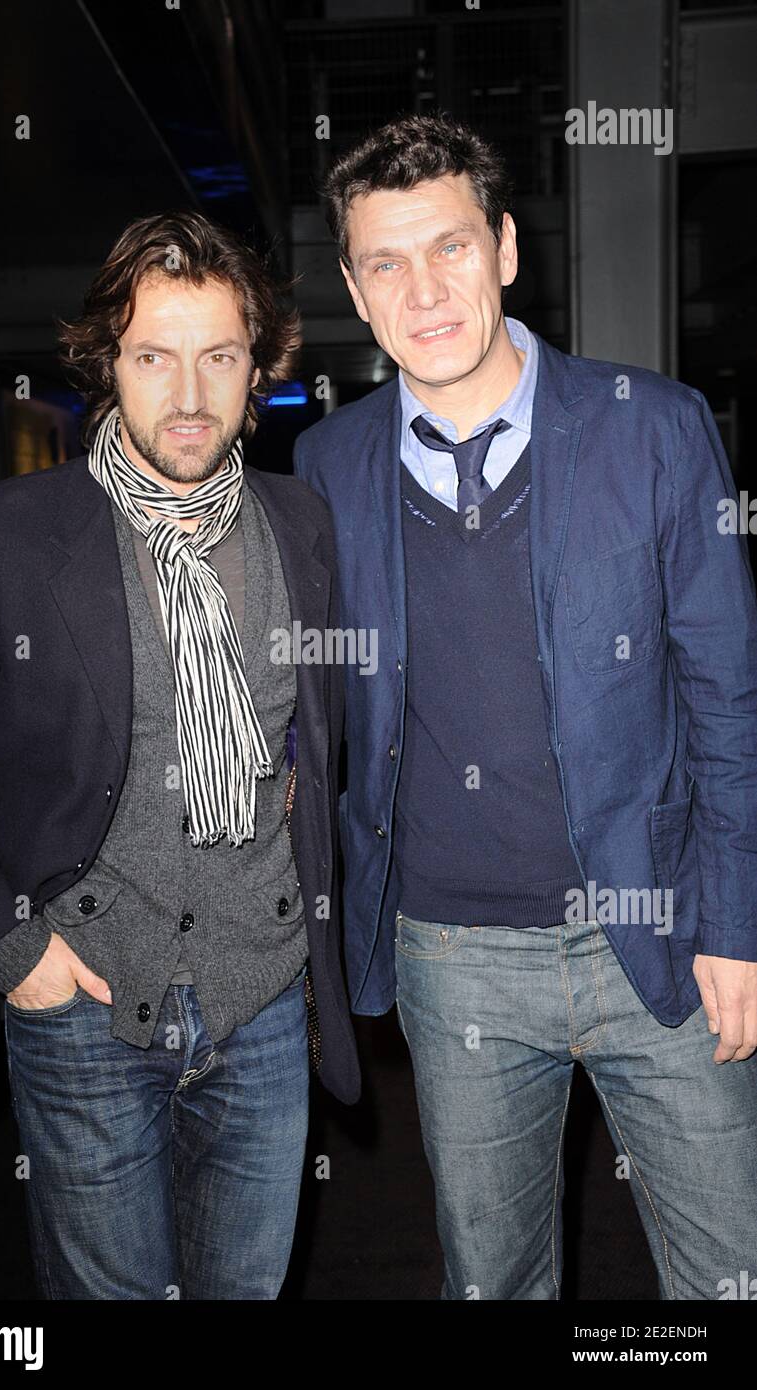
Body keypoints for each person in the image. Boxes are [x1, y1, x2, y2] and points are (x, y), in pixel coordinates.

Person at [294, 112, 757, 1300]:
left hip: (653, 933)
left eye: (449, 247)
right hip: (451, 956)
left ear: (505, 247)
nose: (424, 288)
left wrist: (736, 922)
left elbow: (726, 696)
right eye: (385, 262)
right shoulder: (326, 467)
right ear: (353, 285)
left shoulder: (650, 426)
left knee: (727, 1279)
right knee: (492, 1283)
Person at [0, 210, 359, 1300]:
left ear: (260, 368)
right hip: (84, 1007)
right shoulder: (1, 533)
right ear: (107, 362)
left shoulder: (305, 527)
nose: (189, 395)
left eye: (219, 357)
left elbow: (330, 730)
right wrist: (13, 952)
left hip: (263, 1005)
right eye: (154, 356)